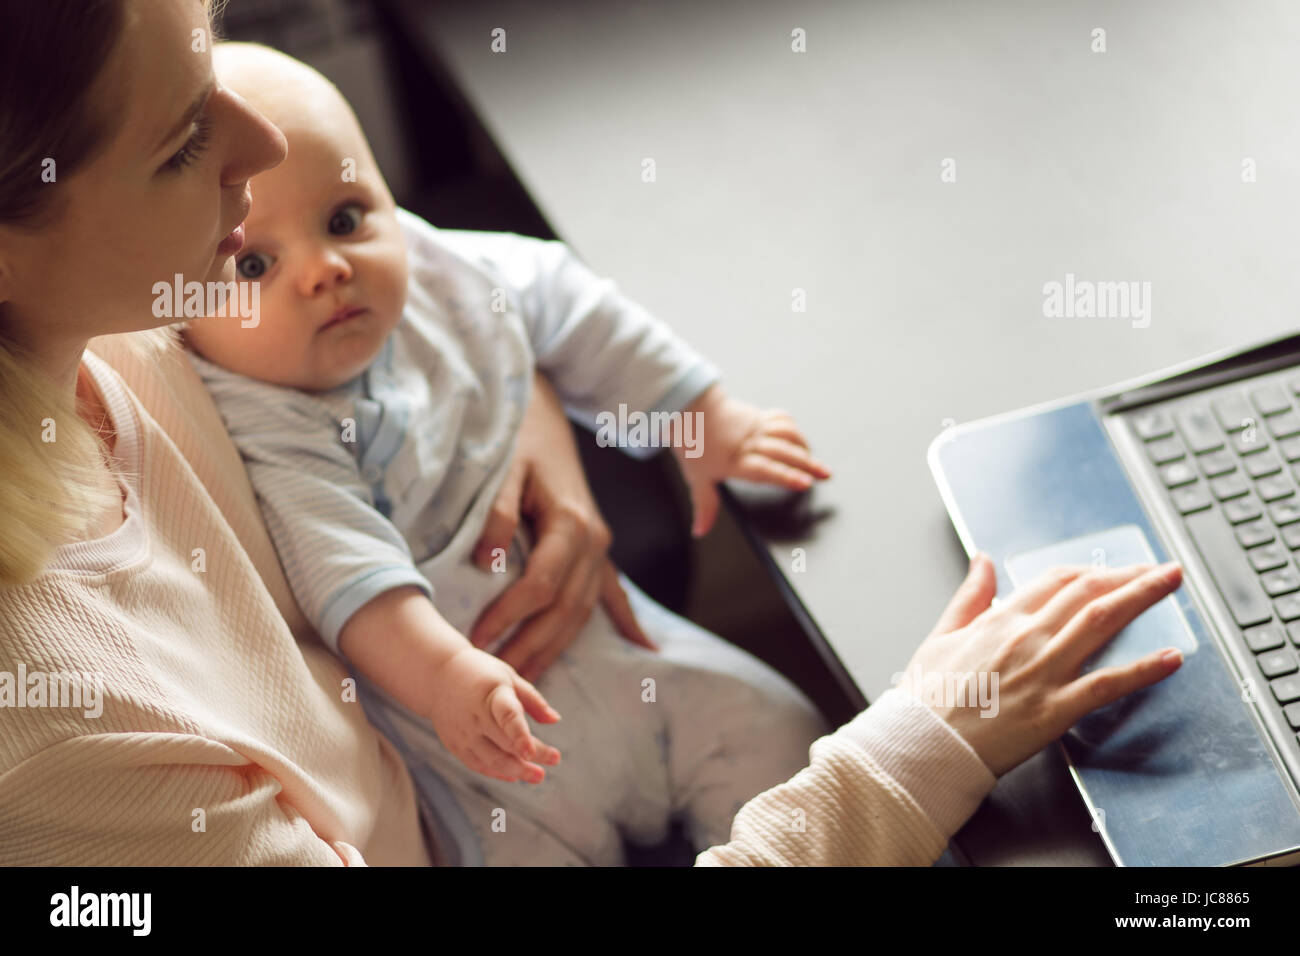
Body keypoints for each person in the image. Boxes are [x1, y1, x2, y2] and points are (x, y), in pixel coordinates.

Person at [0, 0, 1186, 866]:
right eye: (179, 144)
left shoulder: (144, 305)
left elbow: (452, 309)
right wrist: (922, 746)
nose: (255, 154)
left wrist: (534, 438)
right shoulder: (61, 752)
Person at [177, 41, 832, 865]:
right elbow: (348, 578)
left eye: (346, 218)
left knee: (785, 739)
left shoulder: (444, 273)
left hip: (623, 655)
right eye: (256, 264)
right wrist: (451, 681)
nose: (326, 269)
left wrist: (700, 417)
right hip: (482, 755)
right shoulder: (264, 416)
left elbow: (569, 303)